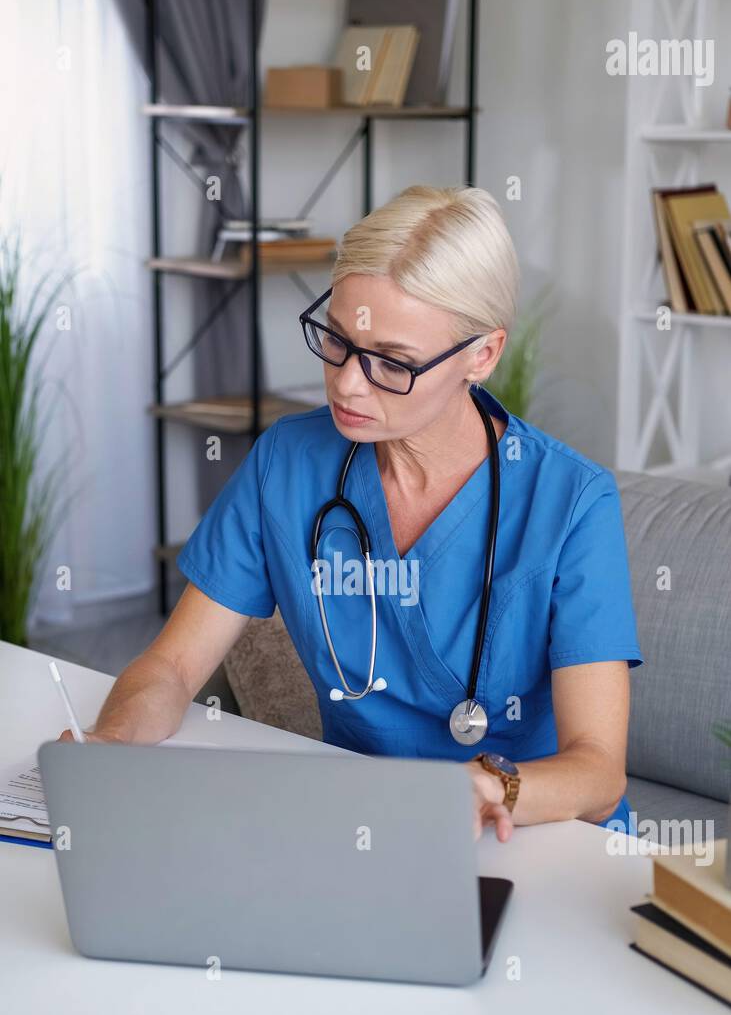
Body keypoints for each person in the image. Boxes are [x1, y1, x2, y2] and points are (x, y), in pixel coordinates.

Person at [60, 184, 643, 844]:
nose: (345, 382)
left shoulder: (571, 502)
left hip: (539, 839)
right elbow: (171, 668)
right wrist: (109, 745)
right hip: (365, 828)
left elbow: (598, 773)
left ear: (481, 355)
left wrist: (491, 788)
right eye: (336, 340)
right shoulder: (288, 462)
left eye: (392, 362)